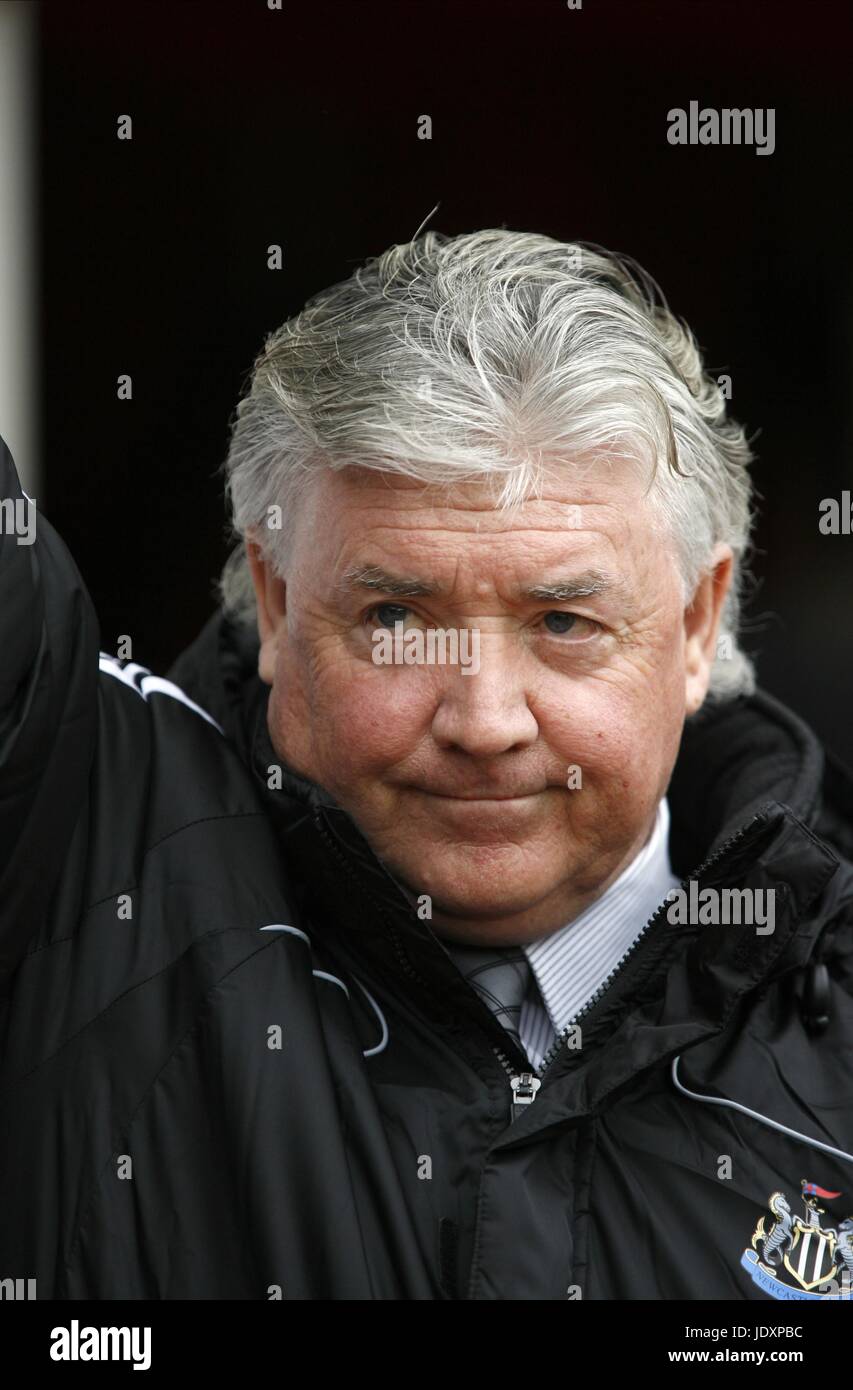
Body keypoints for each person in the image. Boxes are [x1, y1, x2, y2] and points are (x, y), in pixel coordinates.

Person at [1, 229, 852, 1301]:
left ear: (696, 622)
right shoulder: (78, 848)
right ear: (271, 598)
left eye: (563, 620)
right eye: (397, 616)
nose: (484, 720)